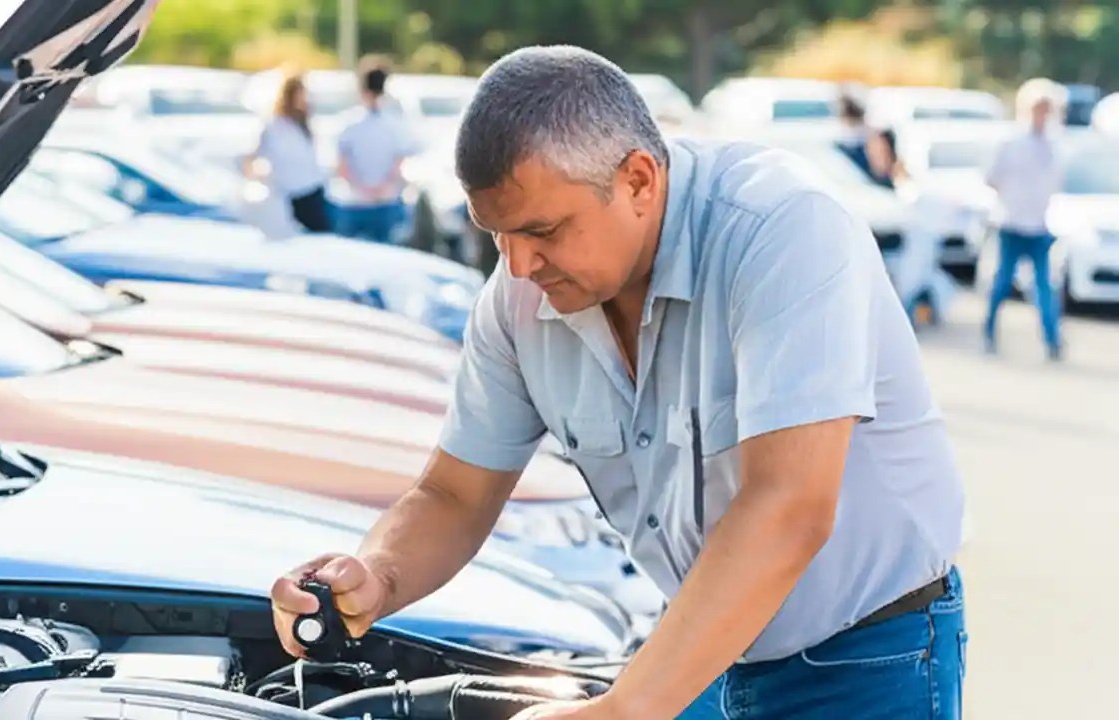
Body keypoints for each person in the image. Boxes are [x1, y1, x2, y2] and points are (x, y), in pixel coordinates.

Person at [271, 46, 966, 720]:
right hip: (696, 648)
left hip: (867, 658)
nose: (517, 266)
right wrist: (376, 575)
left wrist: (627, 709)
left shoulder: (784, 229)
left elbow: (788, 509)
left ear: (638, 179)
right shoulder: (518, 299)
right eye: (496, 235)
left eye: (542, 230)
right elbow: (454, 494)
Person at [983, 77, 1068, 361]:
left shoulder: (1053, 145)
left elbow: (1056, 181)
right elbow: (991, 177)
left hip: (1039, 225)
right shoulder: (1011, 141)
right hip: (1011, 222)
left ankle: (1052, 339)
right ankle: (989, 330)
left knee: (1044, 285)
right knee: (1003, 281)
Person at [333, 56, 411, 244]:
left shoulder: (348, 123)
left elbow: (341, 167)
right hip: (385, 201)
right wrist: (380, 188)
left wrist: (363, 189)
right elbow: (398, 165)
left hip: (354, 202)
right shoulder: (394, 124)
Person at [248, 69, 332, 233]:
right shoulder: (274, 126)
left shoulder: (303, 124)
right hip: (286, 193)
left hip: (311, 189)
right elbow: (253, 157)